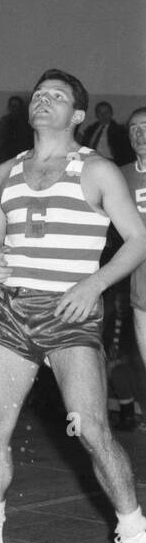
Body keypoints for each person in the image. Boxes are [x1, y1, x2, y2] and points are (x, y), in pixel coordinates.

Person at [0, 70, 146, 543]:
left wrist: (95, 283)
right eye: (38, 94)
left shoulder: (96, 170)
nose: (43, 100)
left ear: (78, 114)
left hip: (70, 313)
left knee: (92, 427)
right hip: (11, 312)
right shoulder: (5, 172)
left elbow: (137, 240)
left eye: (57, 96)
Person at [119, 106, 146, 425]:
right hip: (141, 285)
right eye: (134, 129)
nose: (140, 134)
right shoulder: (120, 175)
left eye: (145, 127)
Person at [79, 100, 133, 167]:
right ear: (96, 114)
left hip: (111, 164)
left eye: (106, 112)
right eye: (100, 112)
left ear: (111, 113)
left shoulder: (120, 131)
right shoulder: (90, 130)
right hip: (91, 162)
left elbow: (125, 154)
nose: (103, 115)